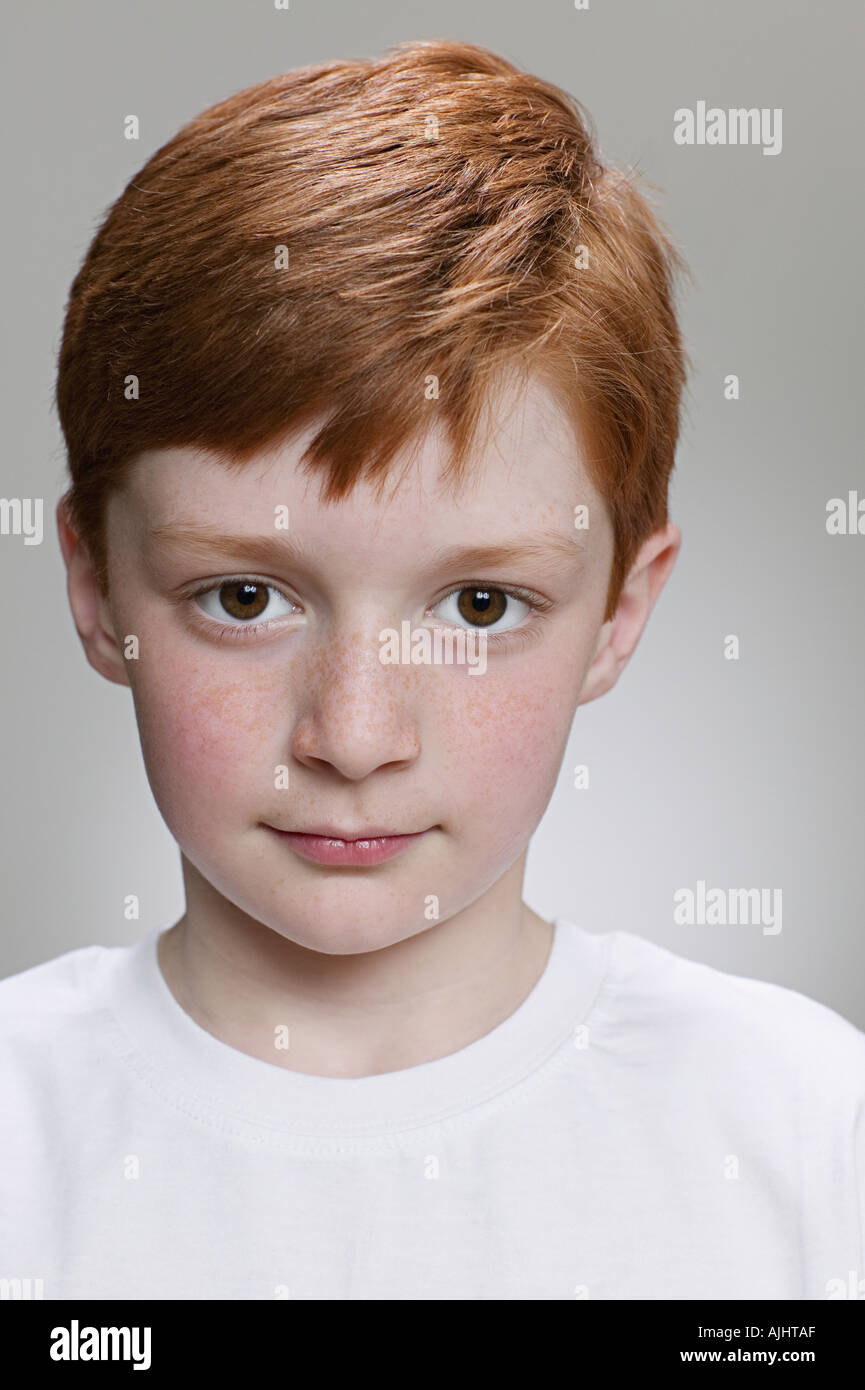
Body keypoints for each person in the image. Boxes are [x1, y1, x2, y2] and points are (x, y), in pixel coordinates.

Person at [2, 38, 862, 1301]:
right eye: (243, 598)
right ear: (94, 587)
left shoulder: (807, 1134)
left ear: (622, 610)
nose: (353, 737)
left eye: (476, 603)